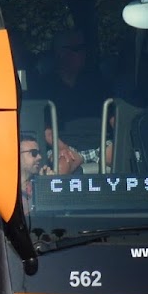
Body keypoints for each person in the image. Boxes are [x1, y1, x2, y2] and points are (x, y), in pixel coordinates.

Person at [35, 29, 111, 173]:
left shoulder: (97, 81)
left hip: (101, 145)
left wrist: (124, 143)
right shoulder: (44, 86)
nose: (82, 53)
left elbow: (115, 117)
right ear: (59, 53)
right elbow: (45, 128)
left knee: (127, 159)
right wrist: (62, 148)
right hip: (67, 147)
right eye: (77, 49)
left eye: (83, 48)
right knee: (59, 169)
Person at [19, 134, 53, 212]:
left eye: (39, 153)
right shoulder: (4, 188)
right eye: (34, 153)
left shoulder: (39, 185)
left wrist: (44, 186)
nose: (39, 157)